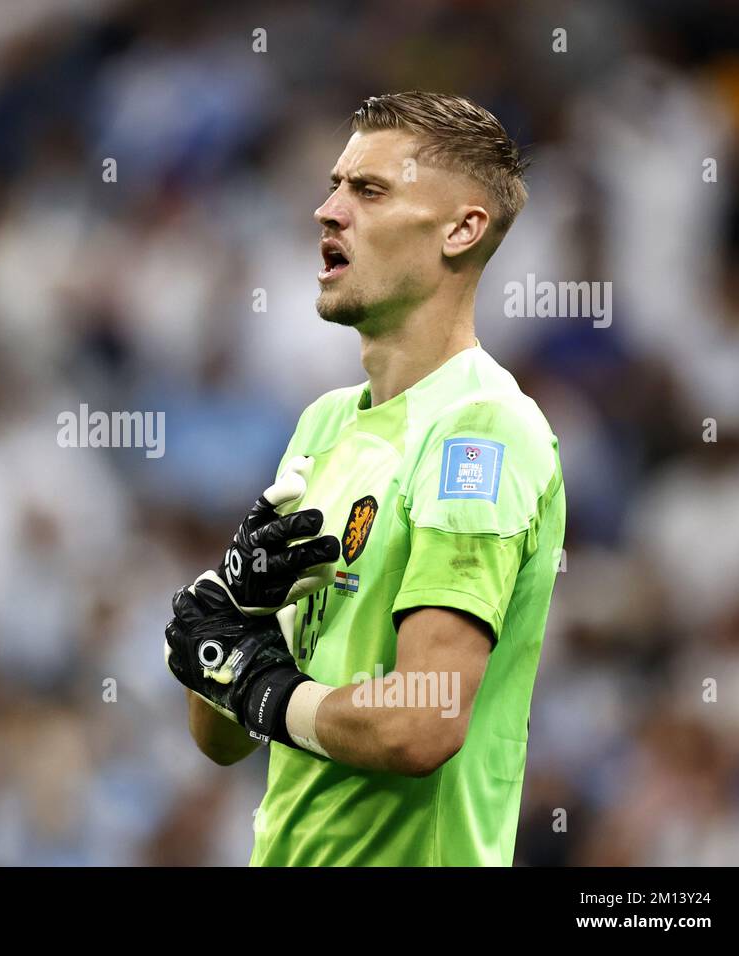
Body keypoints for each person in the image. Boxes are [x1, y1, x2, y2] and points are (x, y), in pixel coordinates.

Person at [164, 91, 566, 866]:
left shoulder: (479, 428)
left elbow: (425, 720)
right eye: (334, 185)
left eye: (369, 191)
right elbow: (220, 739)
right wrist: (234, 625)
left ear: (462, 228)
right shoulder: (324, 425)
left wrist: (265, 693)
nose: (327, 210)